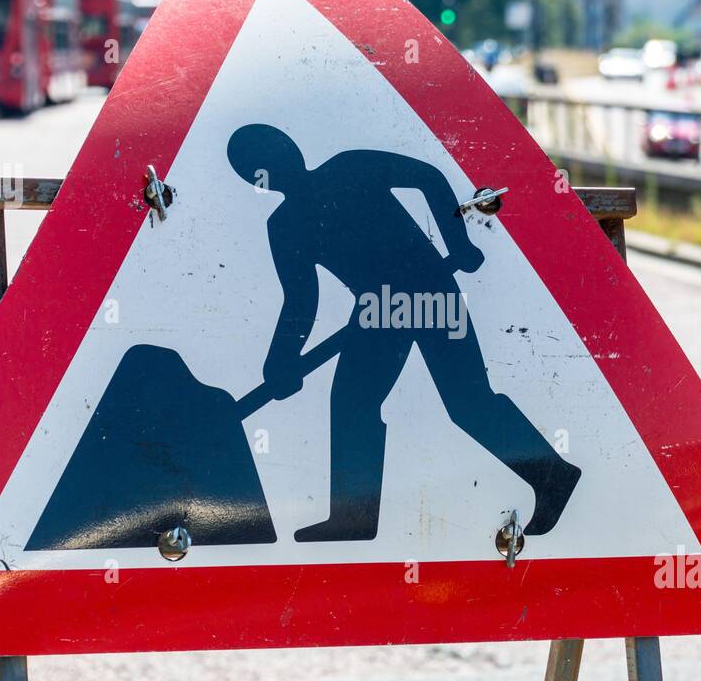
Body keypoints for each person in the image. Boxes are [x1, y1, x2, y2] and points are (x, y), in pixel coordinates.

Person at [227, 124, 581, 543]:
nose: (267, 170)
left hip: (429, 290)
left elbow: (427, 176)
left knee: (467, 402)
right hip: (378, 310)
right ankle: (353, 516)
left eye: (266, 159)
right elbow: (302, 301)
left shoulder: (349, 168)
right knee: (352, 404)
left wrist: (458, 241)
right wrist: (281, 360)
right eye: (257, 168)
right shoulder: (285, 225)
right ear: (256, 181)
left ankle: (553, 475)